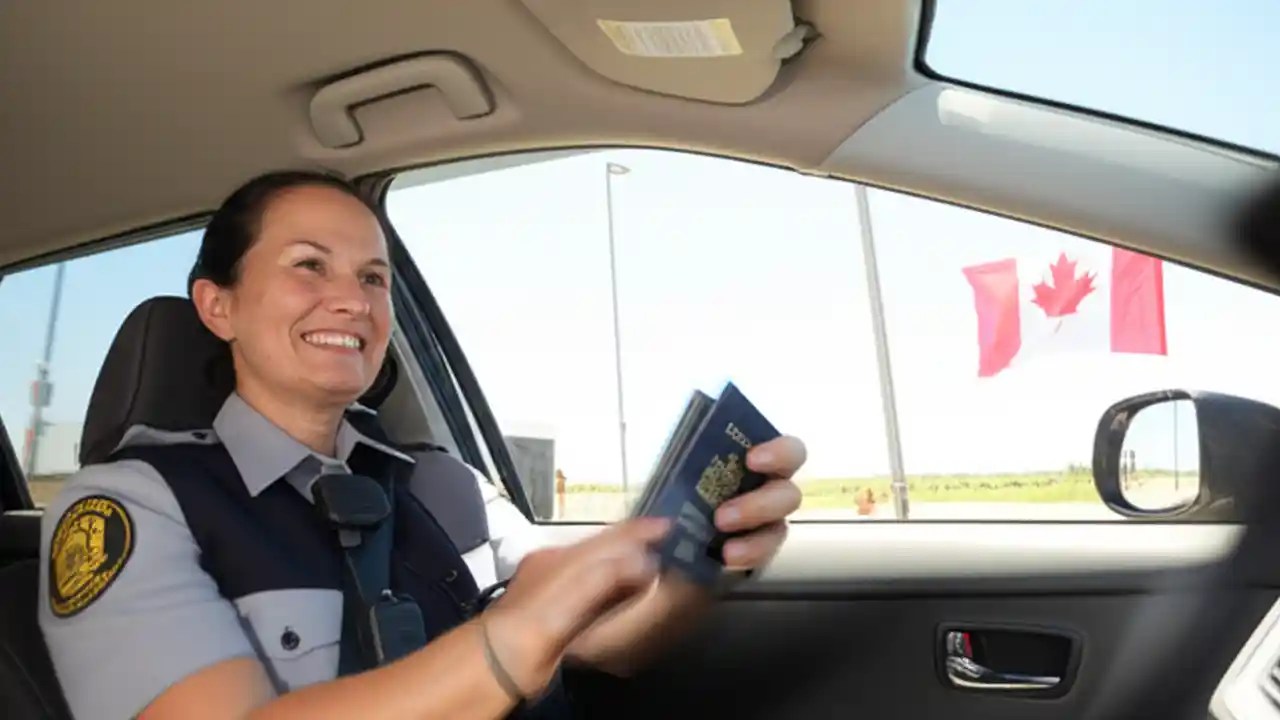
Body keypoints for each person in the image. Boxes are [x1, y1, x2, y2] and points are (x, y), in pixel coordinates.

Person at [37, 170, 806, 720]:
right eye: (309, 266)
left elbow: (609, 645)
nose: (353, 299)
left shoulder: (448, 484)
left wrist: (703, 558)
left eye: (373, 278)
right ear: (218, 306)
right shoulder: (130, 509)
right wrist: (510, 641)